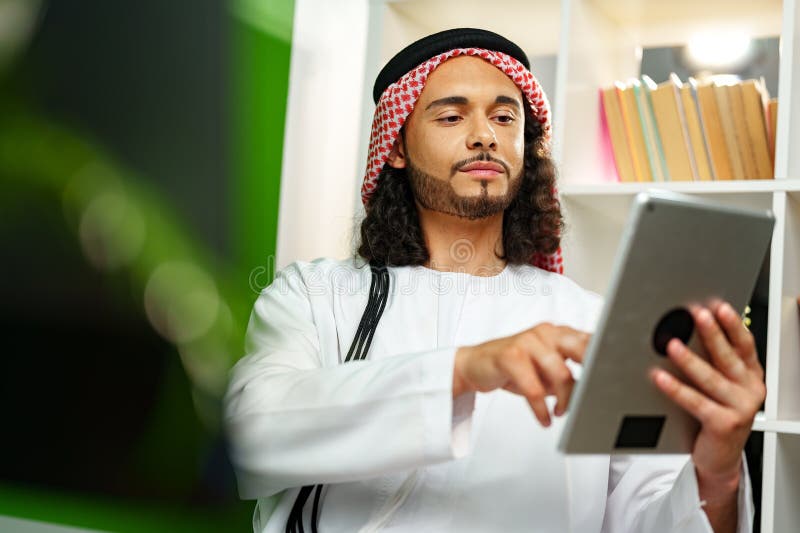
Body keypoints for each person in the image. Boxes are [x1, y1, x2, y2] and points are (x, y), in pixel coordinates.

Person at [224, 28, 762, 533]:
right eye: (451, 117)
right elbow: (251, 434)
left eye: (505, 119)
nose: (485, 136)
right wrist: (465, 368)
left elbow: (650, 517)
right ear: (395, 147)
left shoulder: (590, 322)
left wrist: (717, 472)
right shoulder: (312, 297)